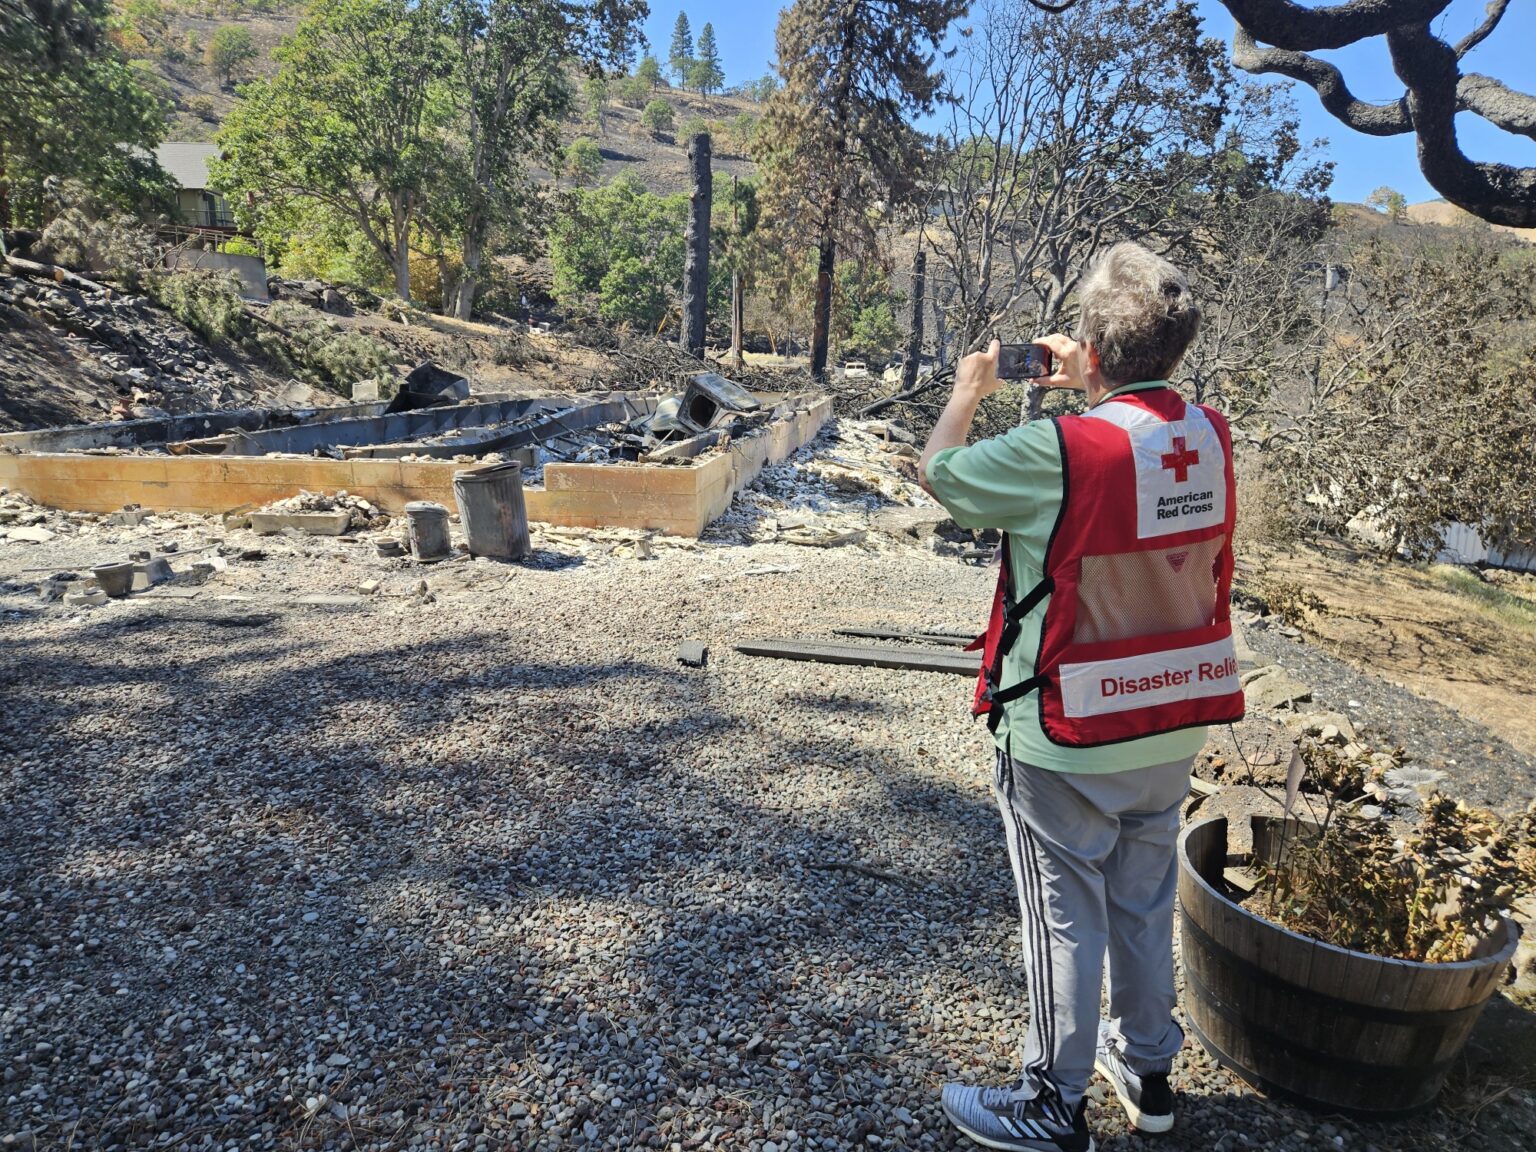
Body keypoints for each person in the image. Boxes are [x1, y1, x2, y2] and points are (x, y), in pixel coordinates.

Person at [919, 242, 1244, 1152]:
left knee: (1064, 916)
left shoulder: (1056, 449)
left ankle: (1050, 1104)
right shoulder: (1210, 437)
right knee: (1142, 902)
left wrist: (968, 391)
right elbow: (1133, 458)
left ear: (1091, 353)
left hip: (1065, 732)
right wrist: (1097, 388)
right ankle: (1148, 1072)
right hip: (1171, 717)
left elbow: (941, 477)